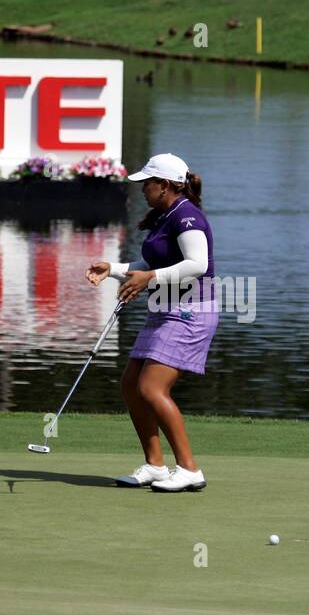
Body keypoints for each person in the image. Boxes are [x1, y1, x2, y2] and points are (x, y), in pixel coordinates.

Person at [85, 153, 218, 493]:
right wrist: (112, 269)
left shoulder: (187, 216)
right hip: (166, 307)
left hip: (191, 310)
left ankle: (189, 469)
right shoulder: (164, 215)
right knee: (132, 384)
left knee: (151, 388)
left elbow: (197, 264)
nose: (143, 189)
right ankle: (155, 465)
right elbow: (150, 262)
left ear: (167, 185)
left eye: (148, 183)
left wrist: (149, 278)